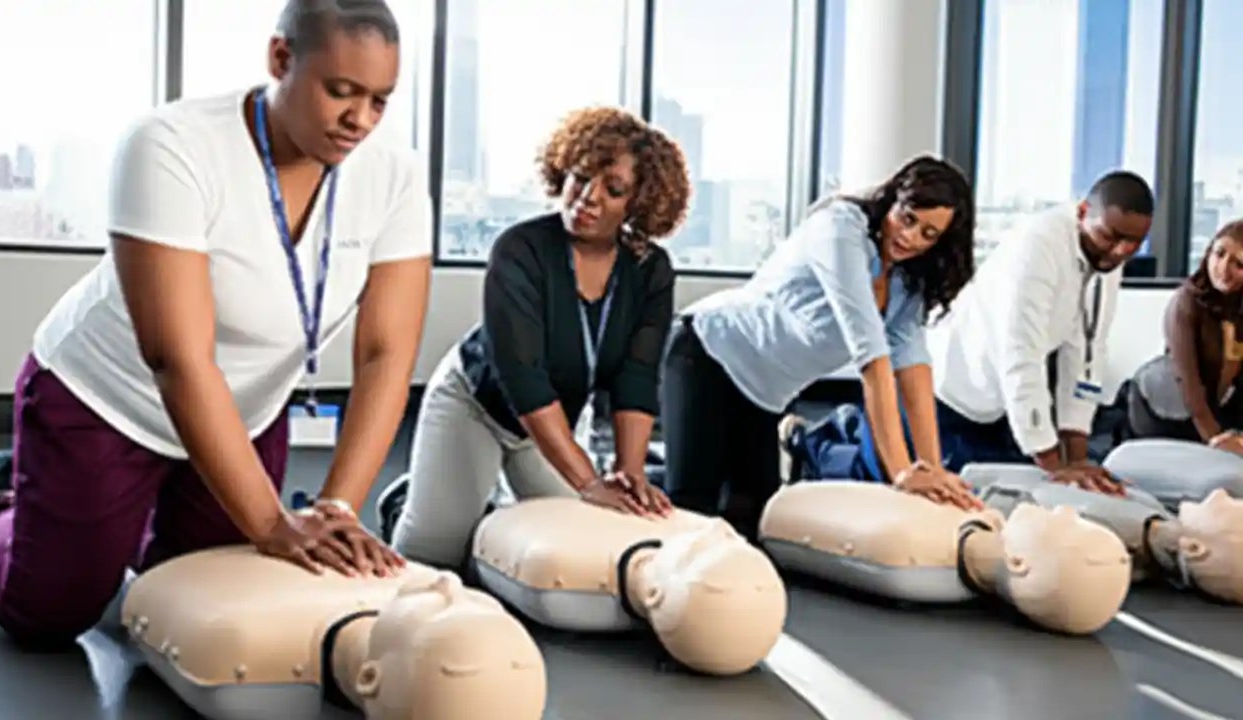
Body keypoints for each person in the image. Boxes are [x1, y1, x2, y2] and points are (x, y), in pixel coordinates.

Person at [0, 0, 426, 648]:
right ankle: (0, 509)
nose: (360, 121)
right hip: (109, 398)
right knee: (50, 611)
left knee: (206, 595)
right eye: (341, 91)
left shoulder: (395, 176)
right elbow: (177, 358)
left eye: (380, 100)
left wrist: (336, 509)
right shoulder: (171, 144)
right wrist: (270, 521)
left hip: (244, 412)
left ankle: (126, 525)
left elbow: (385, 356)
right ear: (280, 59)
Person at [388, 106, 692, 570]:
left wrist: (628, 473)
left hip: (552, 423)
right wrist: (589, 480)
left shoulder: (650, 269)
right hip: (476, 403)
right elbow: (523, 378)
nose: (587, 197)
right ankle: (408, 503)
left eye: (613, 190)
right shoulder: (520, 249)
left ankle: (479, 507)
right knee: (435, 554)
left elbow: (637, 376)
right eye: (580, 177)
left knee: (581, 545)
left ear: (638, 204)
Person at [662, 154, 982, 539]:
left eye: (929, 235)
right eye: (908, 218)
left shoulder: (908, 279)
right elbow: (872, 358)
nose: (911, 238)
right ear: (893, 199)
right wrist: (900, 473)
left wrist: (933, 469)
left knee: (753, 521)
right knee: (692, 505)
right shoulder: (841, 230)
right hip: (709, 355)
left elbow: (912, 367)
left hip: (765, 394)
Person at [925, 171, 1155, 493]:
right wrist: (1056, 468)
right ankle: (839, 439)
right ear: (1083, 212)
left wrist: (1077, 458)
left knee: (1011, 493)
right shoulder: (1037, 246)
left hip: (1004, 405)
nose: (1120, 251)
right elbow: (1021, 356)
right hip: (953, 391)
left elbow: (1088, 351)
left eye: (1134, 243)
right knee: (934, 492)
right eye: (1111, 237)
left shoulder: (1105, 258)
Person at [1126, 220, 1243, 451]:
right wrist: (1215, 439)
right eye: (1219, 254)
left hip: (1211, 406)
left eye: (1238, 263)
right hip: (1162, 407)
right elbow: (1189, 382)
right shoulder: (1186, 302)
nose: (1223, 268)